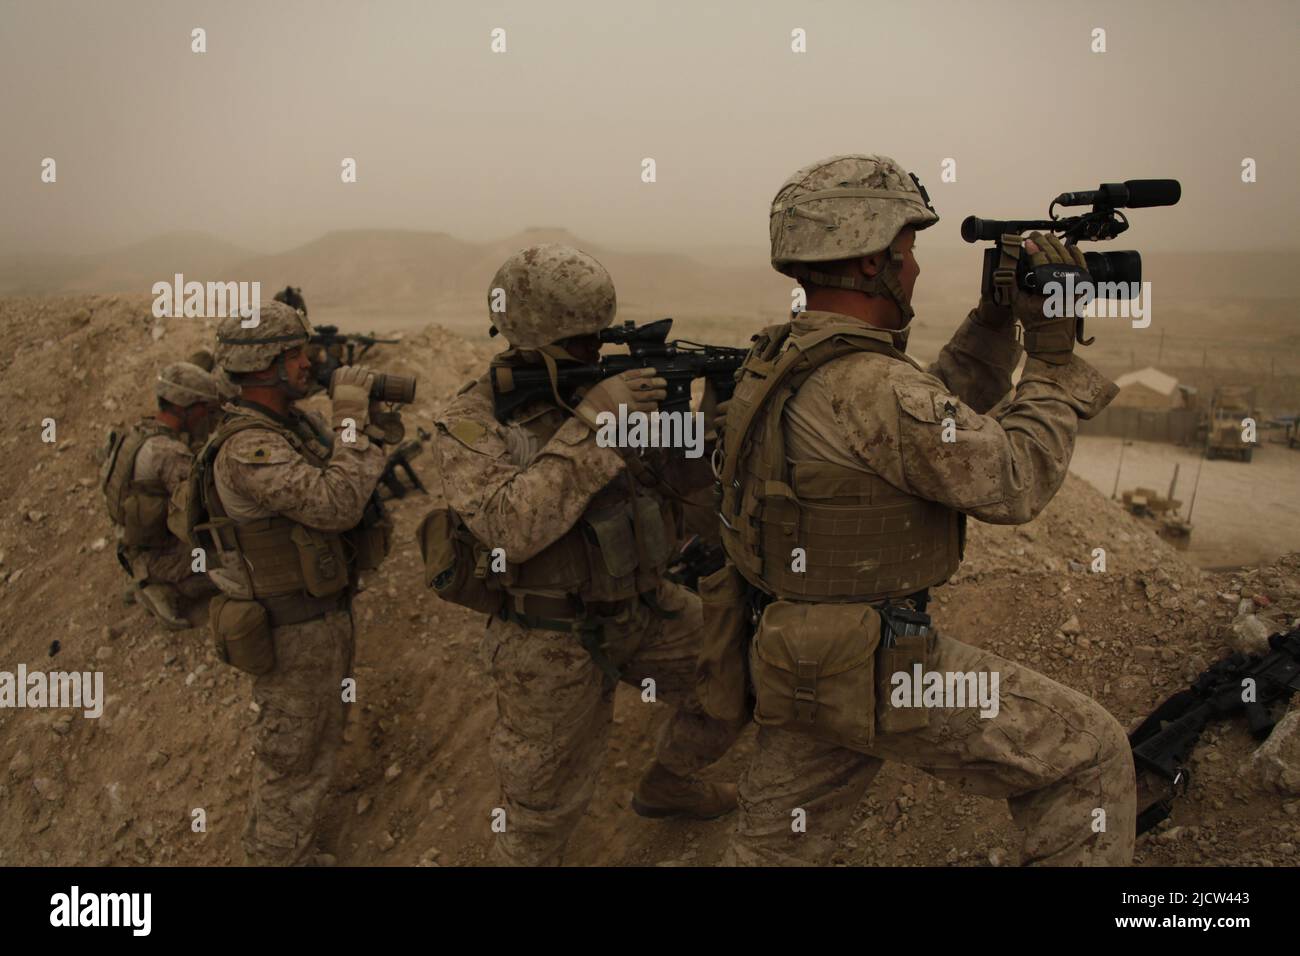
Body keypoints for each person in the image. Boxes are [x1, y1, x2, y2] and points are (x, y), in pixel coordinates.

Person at [714, 154, 1136, 866]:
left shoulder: (788, 356)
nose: (915, 270)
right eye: (907, 252)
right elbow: (1015, 479)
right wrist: (1055, 361)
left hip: (799, 650)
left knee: (774, 851)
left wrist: (993, 321)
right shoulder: (872, 383)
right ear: (875, 261)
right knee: (1089, 755)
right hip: (879, 663)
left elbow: (924, 421)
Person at [430, 243, 744, 866]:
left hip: (645, 604)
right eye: (580, 346)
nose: (595, 357)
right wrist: (595, 424)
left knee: (740, 674)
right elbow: (510, 527)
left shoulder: (610, 392)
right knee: (540, 814)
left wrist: (709, 423)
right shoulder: (472, 420)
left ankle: (670, 783)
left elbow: (679, 488)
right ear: (531, 342)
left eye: (599, 341)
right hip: (547, 640)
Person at [200, 299, 399, 865]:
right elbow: (334, 503)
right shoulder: (247, 447)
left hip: (320, 617)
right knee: (294, 761)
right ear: (265, 365)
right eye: (296, 354)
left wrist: (370, 424)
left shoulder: (290, 425)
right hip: (292, 632)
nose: (309, 362)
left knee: (310, 748)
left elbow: (352, 478)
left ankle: (282, 852)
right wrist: (351, 420)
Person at [102, 360, 231, 628]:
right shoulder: (167, 453)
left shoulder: (136, 434)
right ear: (184, 408)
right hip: (162, 557)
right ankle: (167, 588)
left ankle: (144, 577)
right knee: (238, 561)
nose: (206, 417)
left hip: (134, 549)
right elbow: (207, 505)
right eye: (203, 409)